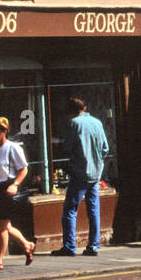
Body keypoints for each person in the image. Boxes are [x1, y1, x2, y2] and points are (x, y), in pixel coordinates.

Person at [52, 97, 109, 257]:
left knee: (70, 210)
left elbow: (67, 147)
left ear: (71, 111)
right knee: (93, 209)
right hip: (95, 173)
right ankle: (93, 246)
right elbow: (105, 148)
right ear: (84, 107)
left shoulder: (74, 124)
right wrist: (97, 162)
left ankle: (70, 246)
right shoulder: (97, 122)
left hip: (79, 172)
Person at [0, 117, 35, 269]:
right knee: (6, 226)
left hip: (8, 190)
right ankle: (27, 244)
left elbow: (24, 169)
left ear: (4, 132)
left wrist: (15, 184)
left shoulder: (13, 148)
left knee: (1, 226)